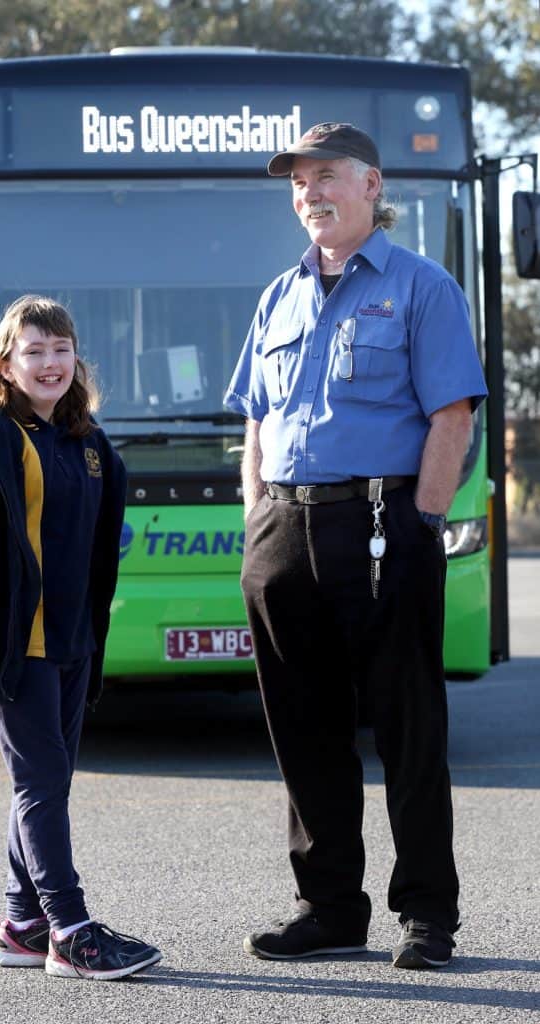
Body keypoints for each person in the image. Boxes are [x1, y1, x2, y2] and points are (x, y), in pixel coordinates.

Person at [224, 123, 488, 969]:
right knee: (304, 733)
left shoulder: (422, 286)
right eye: (298, 184)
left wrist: (421, 521)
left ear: (371, 187)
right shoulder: (277, 296)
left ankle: (427, 914)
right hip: (283, 534)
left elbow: (453, 414)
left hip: (385, 527)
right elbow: (257, 422)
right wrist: (255, 523)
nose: (310, 194)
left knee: (409, 730)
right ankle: (329, 907)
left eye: (326, 177)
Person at [0, 294, 162, 981]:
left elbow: (93, 551)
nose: (50, 363)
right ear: (5, 365)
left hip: (71, 642)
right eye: (33, 351)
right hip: (18, 648)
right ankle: (70, 930)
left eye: (60, 349)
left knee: (49, 781)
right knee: (38, 783)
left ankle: (22, 922)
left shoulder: (86, 442)